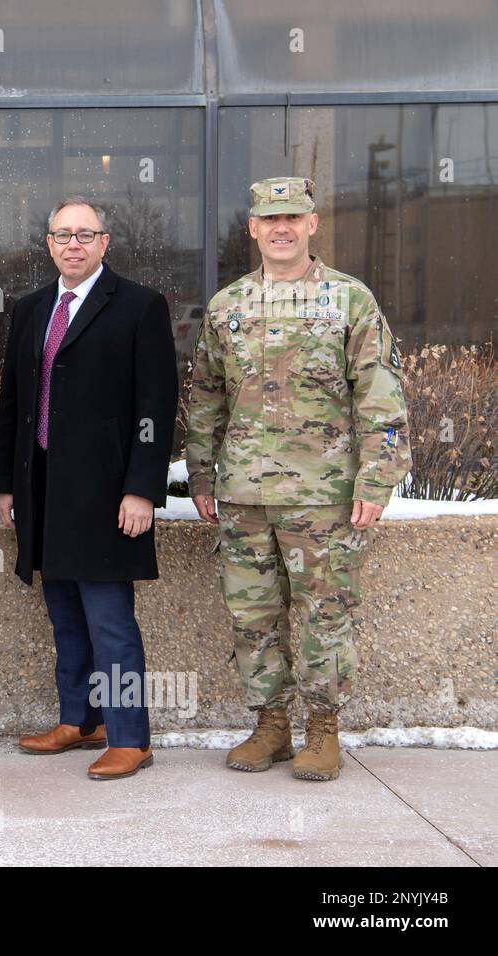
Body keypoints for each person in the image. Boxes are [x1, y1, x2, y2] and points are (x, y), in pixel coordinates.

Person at [185, 177, 411, 782]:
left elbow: (381, 397)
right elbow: (205, 396)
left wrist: (375, 482)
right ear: (253, 229)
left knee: (323, 614)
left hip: (323, 496)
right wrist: (201, 477)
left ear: (313, 225)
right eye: (270, 219)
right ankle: (271, 727)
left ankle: (323, 731)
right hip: (243, 496)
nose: (281, 228)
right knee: (251, 616)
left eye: (294, 218)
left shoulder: (349, 300)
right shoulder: (227, 306)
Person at [0, 196, 177, 781]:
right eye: (62, 234)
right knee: (64, 614)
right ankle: (81, 719)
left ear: (105, 243)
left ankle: (129, 735)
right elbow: (13, 404)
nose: (73, 243)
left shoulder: (141, 307)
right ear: (49, 244)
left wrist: (143, 489)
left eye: (84, 234)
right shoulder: (30, 309)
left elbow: (156, 406)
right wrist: (5, 484)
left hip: (107, 494)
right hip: (43, 490)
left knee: (109, 619)